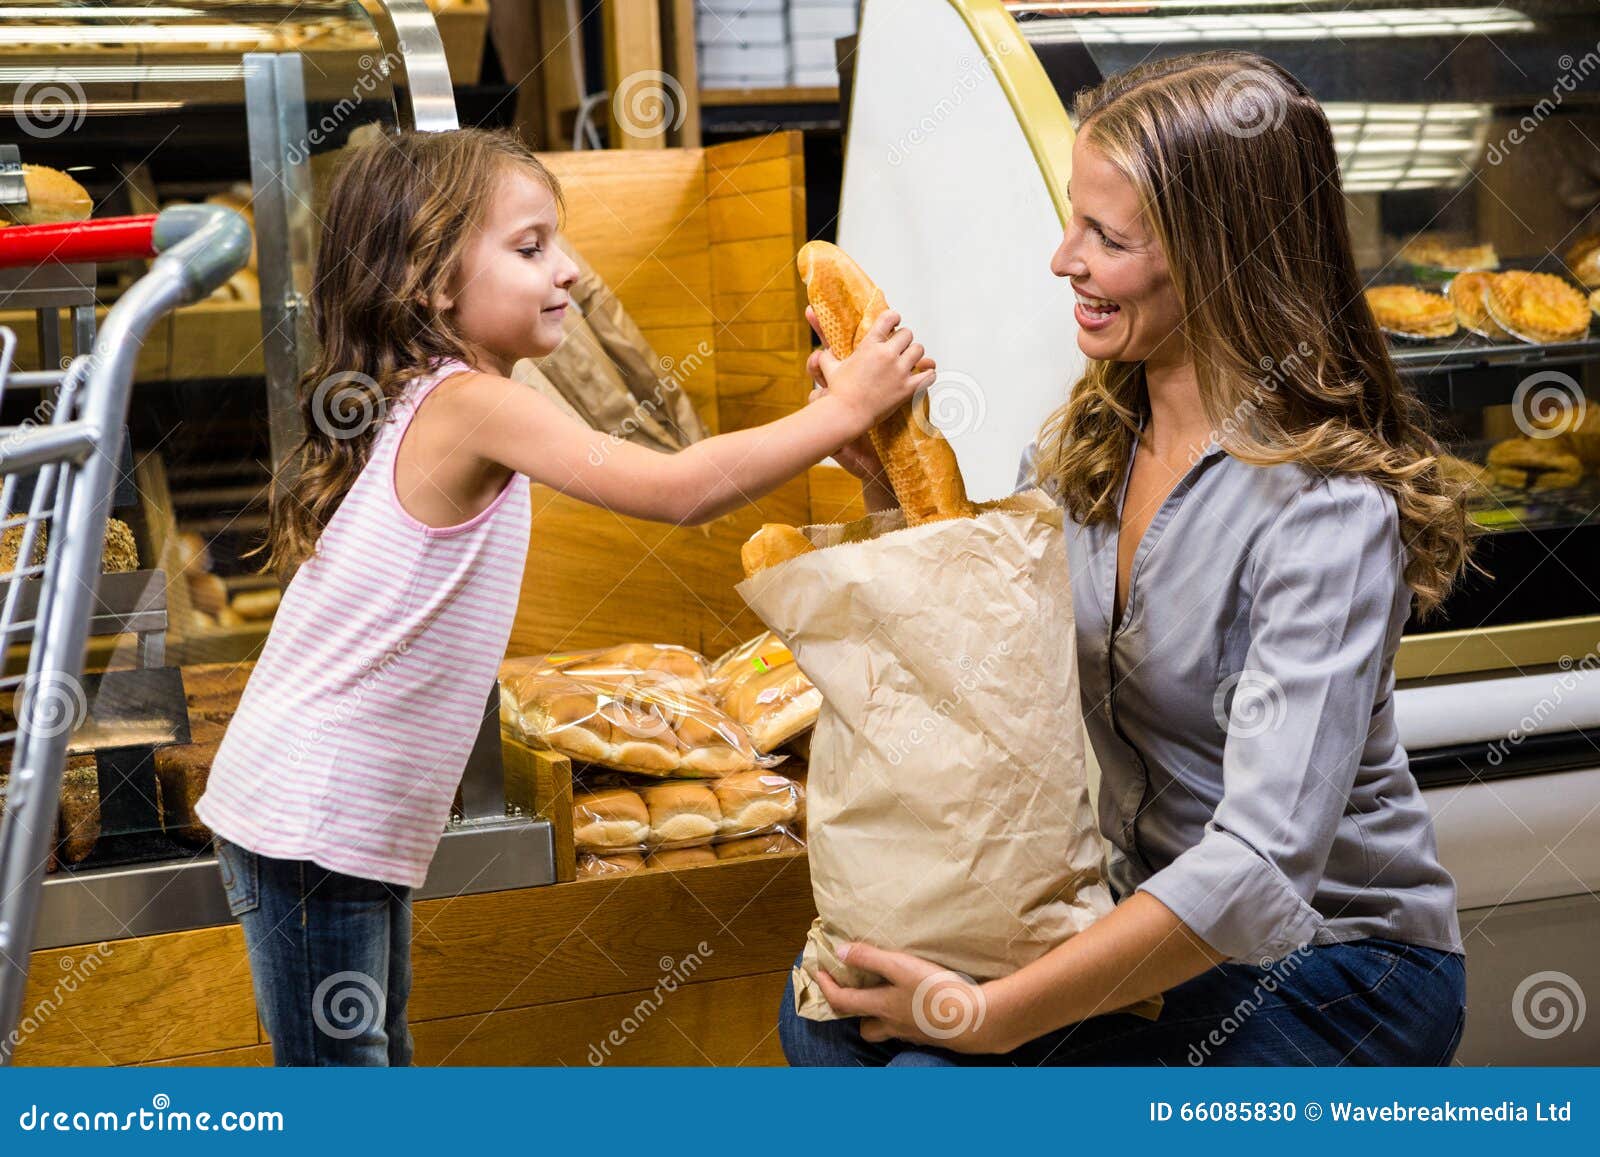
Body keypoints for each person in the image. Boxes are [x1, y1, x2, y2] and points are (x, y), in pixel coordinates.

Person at [783, 51, 1473, 1067]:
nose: (1062, 259)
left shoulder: (1325, 516)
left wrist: (995, 1010)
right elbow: (997, 666)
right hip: (1140, 923)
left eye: (1104, 236)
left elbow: (1255, 870)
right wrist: (884, 477)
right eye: (1073, 220)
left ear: (1219, 255)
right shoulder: (1083, 448)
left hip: (1327, 966)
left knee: (928, 1080)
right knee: (828, 1022)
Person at [194, 127, 932, 1066]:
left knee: (372, 1055)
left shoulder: (446, 396)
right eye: (532, 247)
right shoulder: (472, 403)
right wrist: (841, 408)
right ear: (430, 277)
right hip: (309, 815)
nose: (572, 271)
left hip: (336, 819)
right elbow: (679, 489)